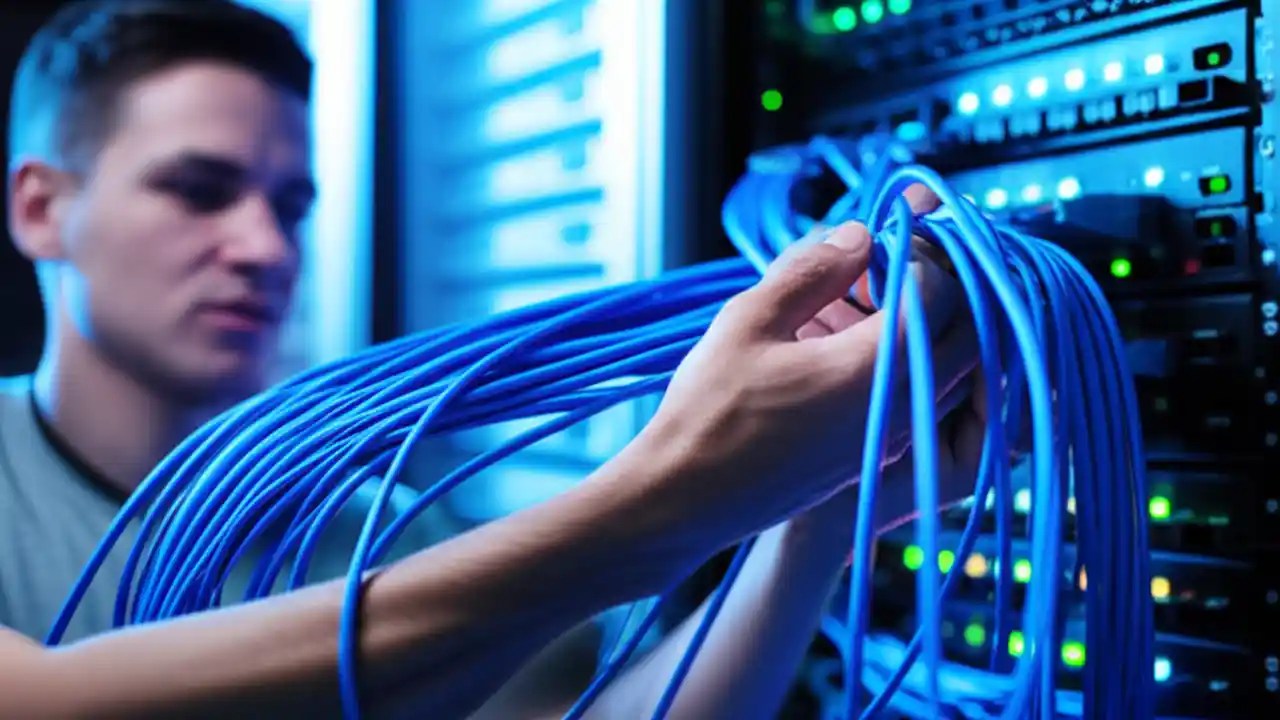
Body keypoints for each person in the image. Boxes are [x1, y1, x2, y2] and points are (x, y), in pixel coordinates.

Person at [0, 1, 985, 717]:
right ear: (41, 207)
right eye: (199, 190)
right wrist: (671, 496)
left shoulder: (377, 524)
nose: (264, 247)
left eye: (290, 206)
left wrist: (803, 520)